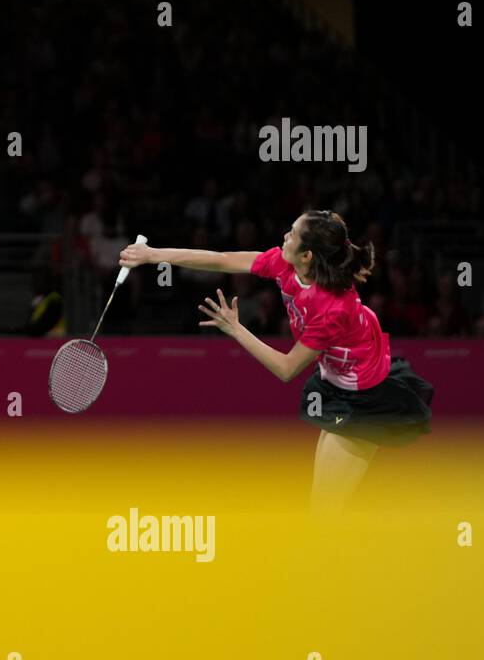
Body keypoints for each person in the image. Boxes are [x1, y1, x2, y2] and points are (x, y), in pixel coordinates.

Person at [119, 209, 433, 513]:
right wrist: (154, 255)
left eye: (292, 234)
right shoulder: (285, 265)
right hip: (338, 379)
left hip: (365, 399)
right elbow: (224, 259)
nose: (284, 236)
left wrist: (235, 329)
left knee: (325, 508)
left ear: (307, 255)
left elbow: (287, 369)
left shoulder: (333, 308)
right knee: (323, 504)